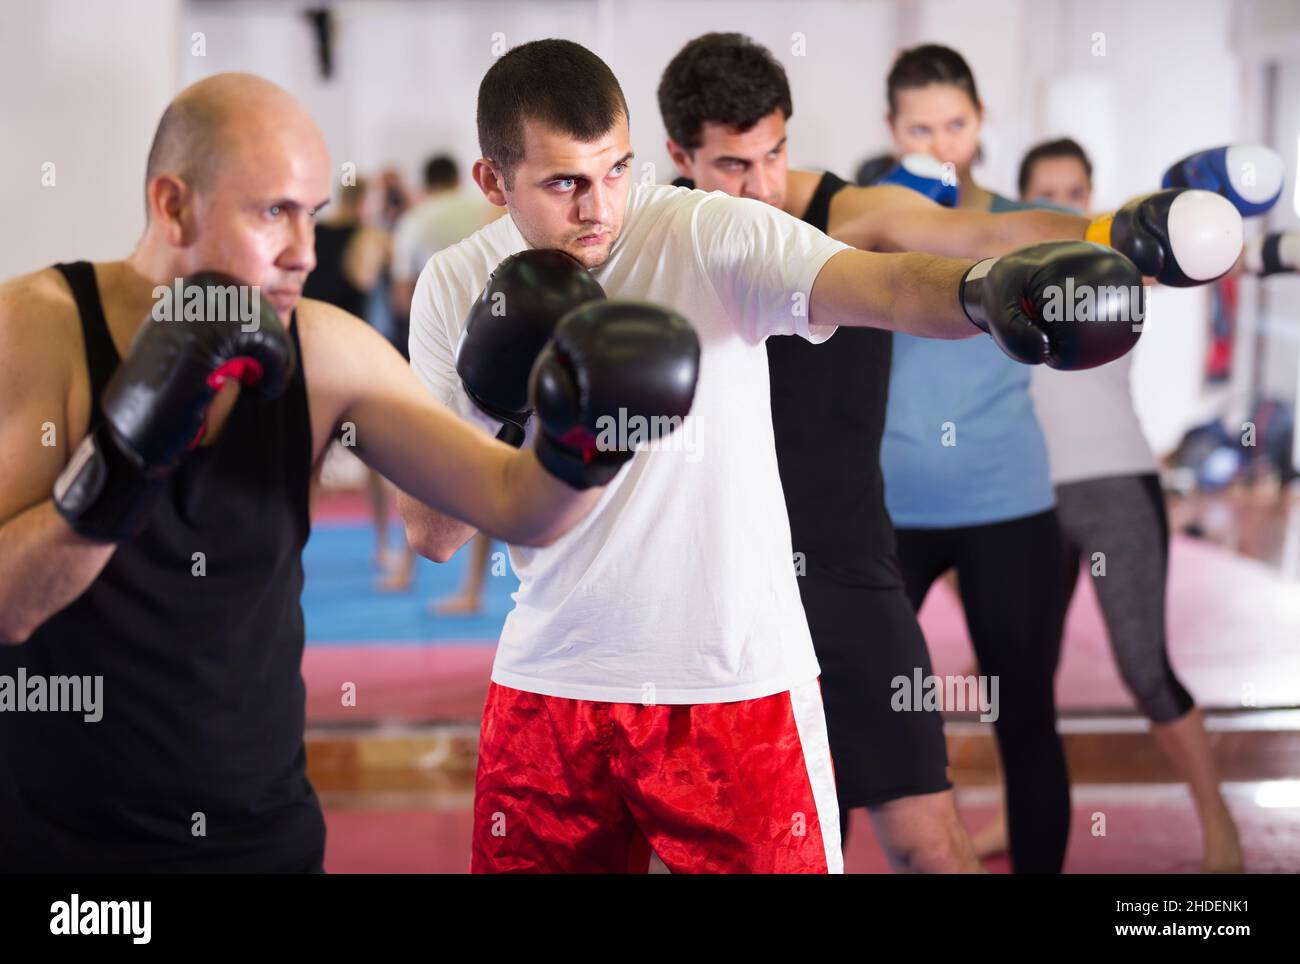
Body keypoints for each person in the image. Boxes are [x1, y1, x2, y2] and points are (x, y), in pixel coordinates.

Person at [399, 38, 1146, 874]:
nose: (599, 209)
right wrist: (491, 396)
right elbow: (430, 536)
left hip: (733, 689)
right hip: (549, 684)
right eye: (565, 183)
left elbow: (885, 283)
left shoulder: (707, 232)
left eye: (616, 170)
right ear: (493, 183)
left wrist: (986, 292)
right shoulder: (455, 282)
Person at [0, 72, 690, 872]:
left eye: (314, 216)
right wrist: (126, 459)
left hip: (260, 836)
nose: (303, 253)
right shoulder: (40, 330)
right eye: (273, 214)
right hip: (55, 846)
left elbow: (508, 503)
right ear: (172, 205)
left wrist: (589, 443)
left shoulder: (323, 350)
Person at [656, 32, 1240, 873]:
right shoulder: (666, 231)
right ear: (681, 156)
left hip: (853, 564)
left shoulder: (849, 213)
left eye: (774, 152)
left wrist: (1116, 233)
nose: (762, 187)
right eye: (732, 167)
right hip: (722, 581)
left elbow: (971, 229)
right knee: (766, 828)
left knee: (929, 832)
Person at [1020, 136, 1243, 872]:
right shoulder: (999, 268)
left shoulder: (1116, 260)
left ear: (1091, 196)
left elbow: (1195, 256)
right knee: (1023, 675)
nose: (1059, 200)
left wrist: (1235, 223)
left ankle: (1218, 822)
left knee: (1145, 668)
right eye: (1044, 188)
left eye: (1073, 188)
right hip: (1024, 495)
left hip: (1116, 480)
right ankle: (1031, 826)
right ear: (1021, 196)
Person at [383, 154, 500, 597]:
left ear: (427, 183)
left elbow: (400, 297)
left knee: (413, 461)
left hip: (435, 345)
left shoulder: (416, 220)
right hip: (499, 343)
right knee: (489, 454)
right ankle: (472, 589)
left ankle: (404, 572)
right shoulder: (485, 211)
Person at [301, 176, 398, 575]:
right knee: (374, 459)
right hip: (350, 363)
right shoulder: (371, 238)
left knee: (309, 460)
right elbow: (370, 278)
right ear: (368, 202)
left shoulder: (311, 234)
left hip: (308, 355)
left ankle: (293, 550)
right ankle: (381, 546)